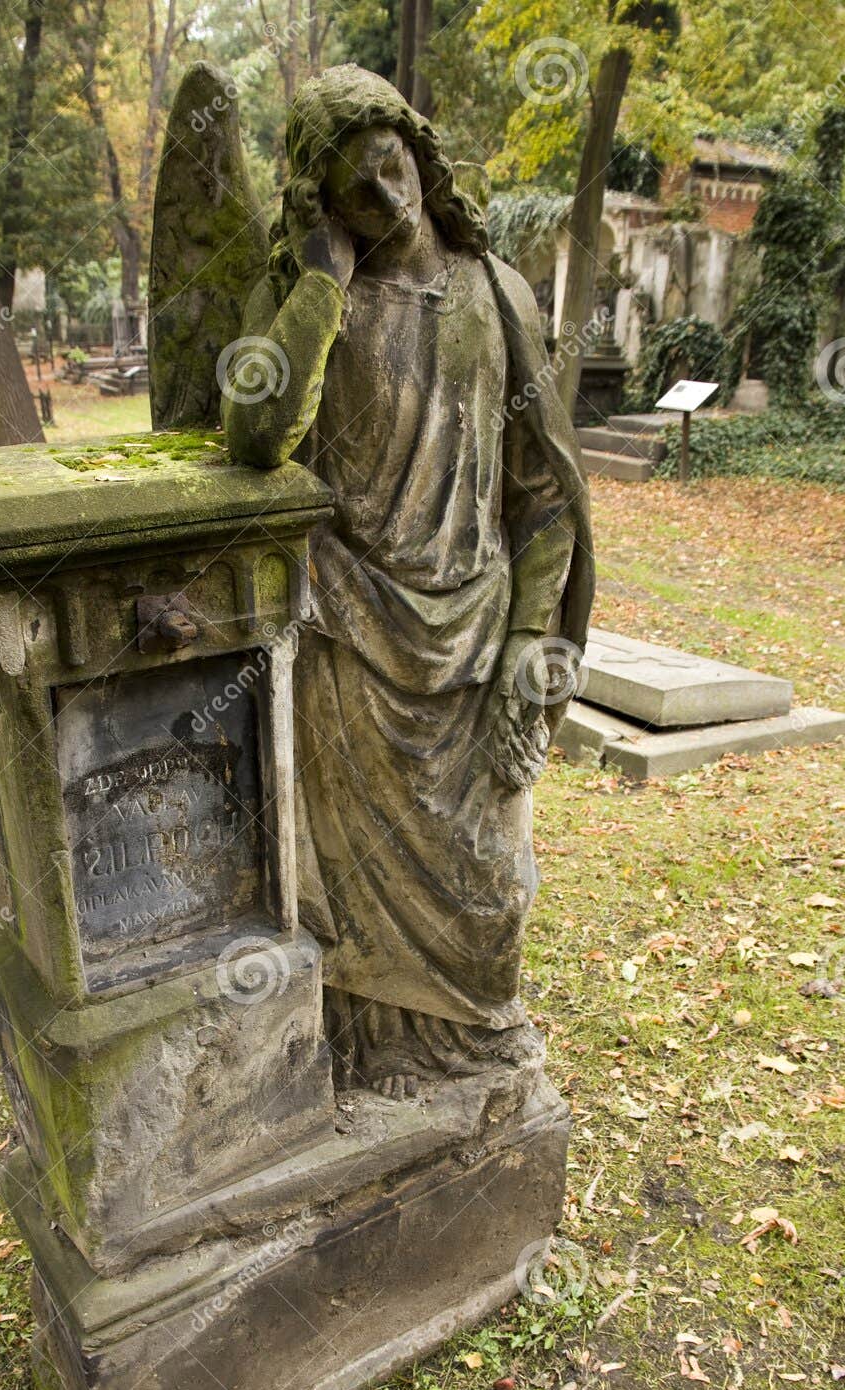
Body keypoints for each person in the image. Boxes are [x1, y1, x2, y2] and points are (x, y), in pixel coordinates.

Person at [224, 66, 594, 1099]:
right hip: (350, 638)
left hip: (474, 636)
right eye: (354, 189)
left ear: (420, 154)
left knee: (488, 878)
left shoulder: (500, 296)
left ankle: (477, 1049)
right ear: (319, 207)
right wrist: (318, 285)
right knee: (349, 884)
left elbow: (544, 495)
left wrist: (530, 639)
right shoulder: (307, 300)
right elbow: (254, 438)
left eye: (392, 167)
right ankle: (371, 1061)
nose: (387, 199)